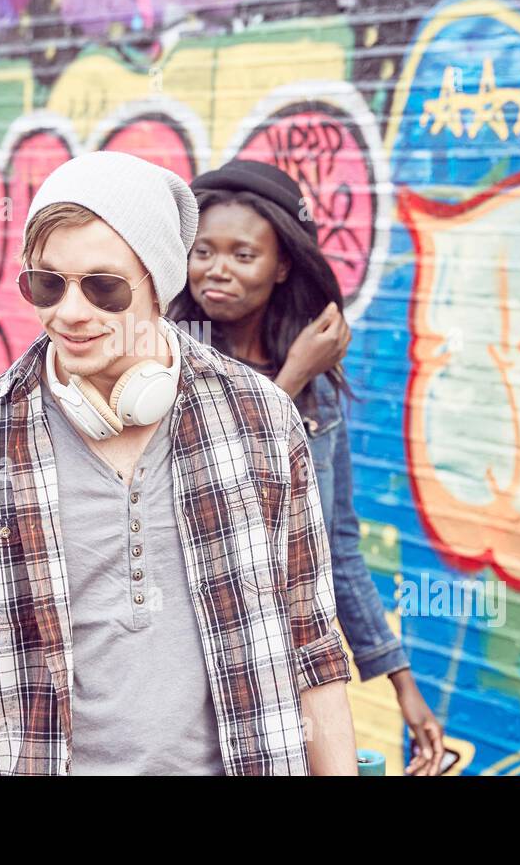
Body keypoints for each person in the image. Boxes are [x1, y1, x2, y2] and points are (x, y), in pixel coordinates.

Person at [0, 151, 356, 776]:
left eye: (104, 287)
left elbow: (312, 645)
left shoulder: (264, 420)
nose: (70, 312)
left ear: (161, 282)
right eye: (46, 283)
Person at [169, 159, 447, 775]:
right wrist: (290, 376)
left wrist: (399, 680)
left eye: (243, 255)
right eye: (203, 251)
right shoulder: (166, 366)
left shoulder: (317, 397)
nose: (217, 270)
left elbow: (336, 545)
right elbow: (214, 495)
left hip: (287, 675)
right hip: (186, 674)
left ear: (282, 265)